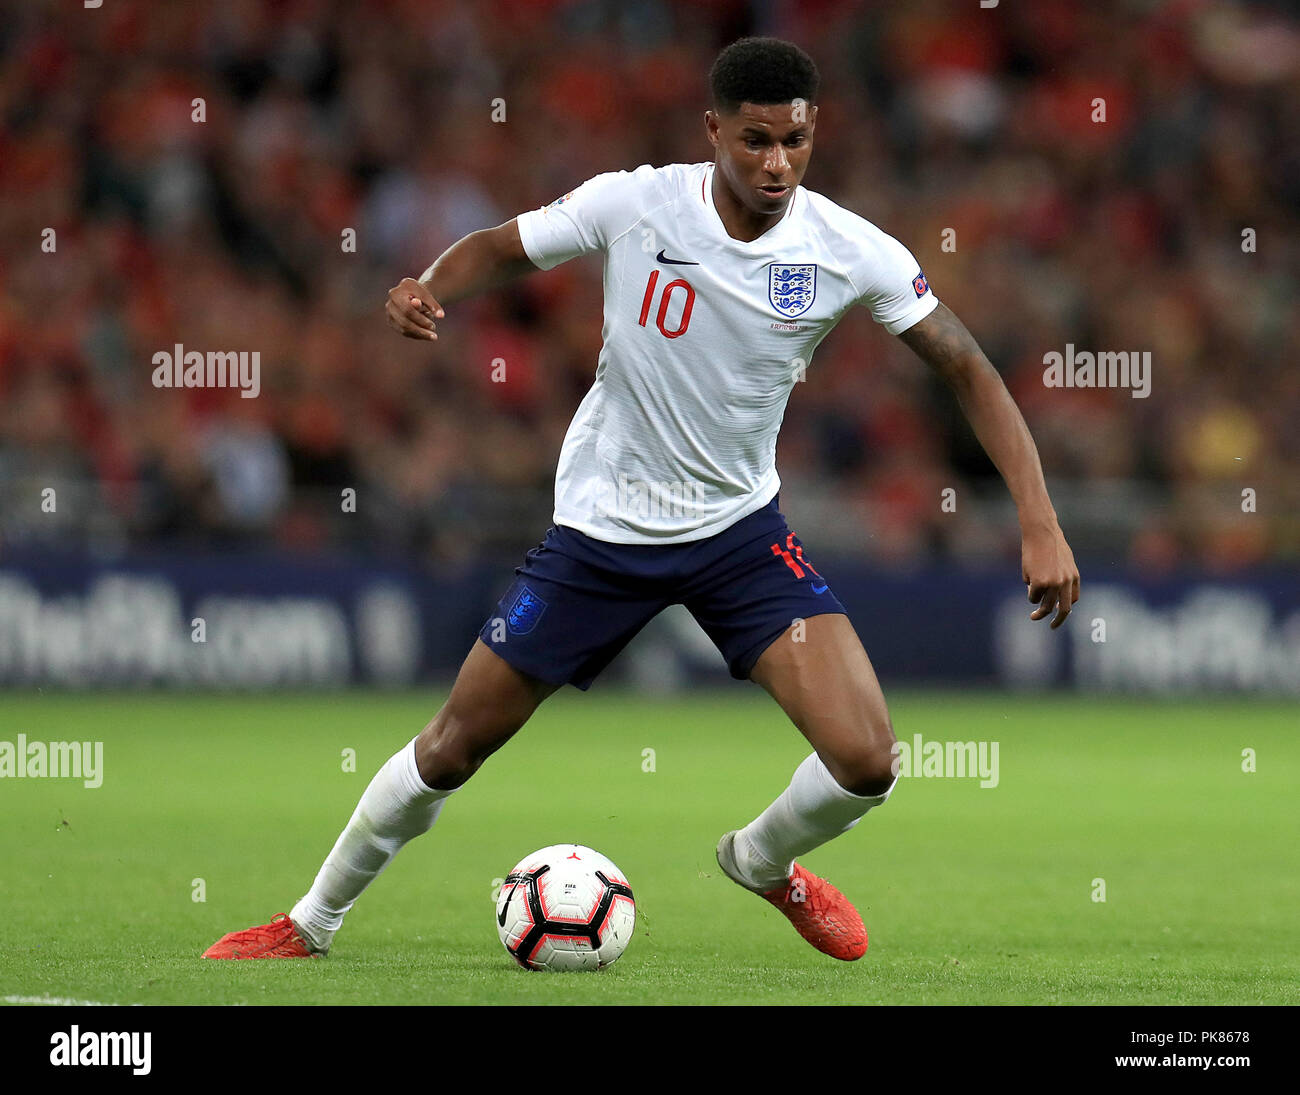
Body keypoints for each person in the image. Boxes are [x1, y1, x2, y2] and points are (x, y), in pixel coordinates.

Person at [204, 36, 1078, 964]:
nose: (776, 163)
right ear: (713, 131)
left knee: (867, 761)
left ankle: (760, 861)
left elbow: (969, 368)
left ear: (814, 131)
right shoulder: (635, 202)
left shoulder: (849, 250)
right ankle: (309, 922)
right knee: (453, 745)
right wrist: (429, 285)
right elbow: (504, 246)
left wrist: (1039, 517)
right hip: (602, 530)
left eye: (794, 140)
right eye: (753, 141)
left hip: (739, 532)